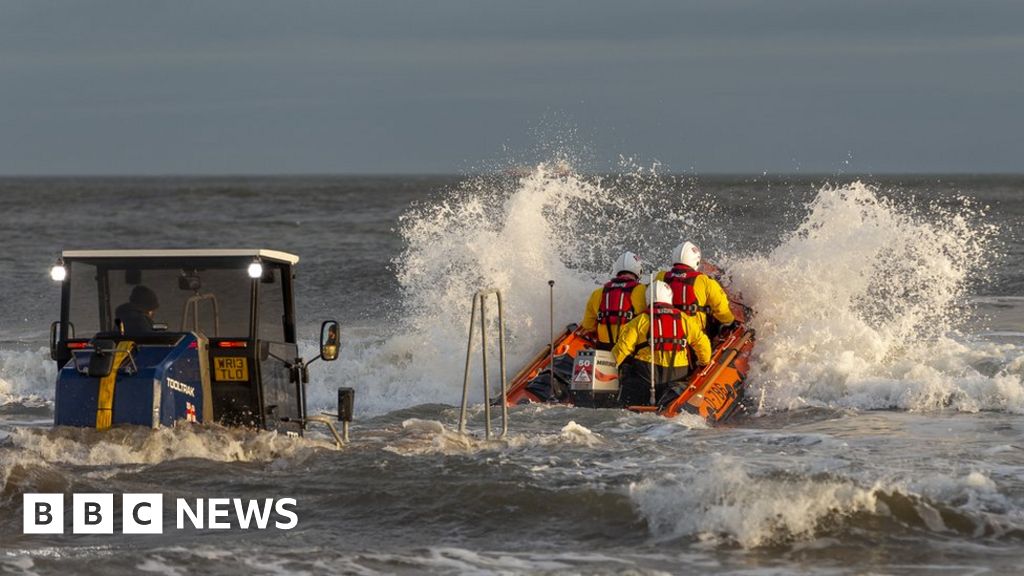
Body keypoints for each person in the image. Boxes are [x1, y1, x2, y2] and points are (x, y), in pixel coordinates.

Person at [611, 280, 711, 406]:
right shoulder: (686, 320)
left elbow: (622, 349)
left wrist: (609, 368)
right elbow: (703, 343)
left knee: (627, 372)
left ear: (648, 299)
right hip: (677, 374)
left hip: (647, 374)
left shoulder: (639, 321)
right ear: (670, 297)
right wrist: (703, 363)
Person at [656, 241, 735, 335]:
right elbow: (722, 309)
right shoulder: (704, 281)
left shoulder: (660, 277)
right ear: (696, 261)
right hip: (693, 336)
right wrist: (730, 321)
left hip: (663, 331)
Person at [580, 251, 648, 350]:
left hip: (603, 348)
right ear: (639, 271)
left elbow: (587, 325)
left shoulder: (598, 293)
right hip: (630, 350)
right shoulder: (643, 291)